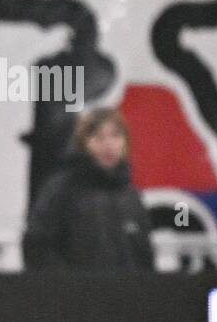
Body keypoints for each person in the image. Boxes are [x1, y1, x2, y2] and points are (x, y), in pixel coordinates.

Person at [23, 108, 155, 271]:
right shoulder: (60, 190)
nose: (108, 145)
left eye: (116, 136)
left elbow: (144, 256)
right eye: (98, 137)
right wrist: (70, 286)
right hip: (74, 294)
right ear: (82, 143)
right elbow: (36, 247)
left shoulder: (131, 196)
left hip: (125, 294)